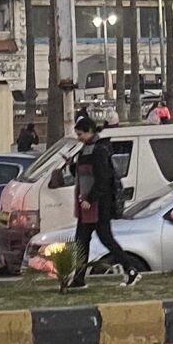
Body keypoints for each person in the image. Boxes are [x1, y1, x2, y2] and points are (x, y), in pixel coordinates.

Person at [56, 117, 142, 290]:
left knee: (105, 239)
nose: (79, 138)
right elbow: (82, 174)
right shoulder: (86, 149)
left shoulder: (99, 150)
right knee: (81, 241)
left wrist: (90, 198)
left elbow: (103, 179)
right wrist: (71, 165)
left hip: (98, 205)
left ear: (89, 131)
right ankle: (79, 278)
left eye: (80, 134)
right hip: (86, 205)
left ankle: (130, 269)